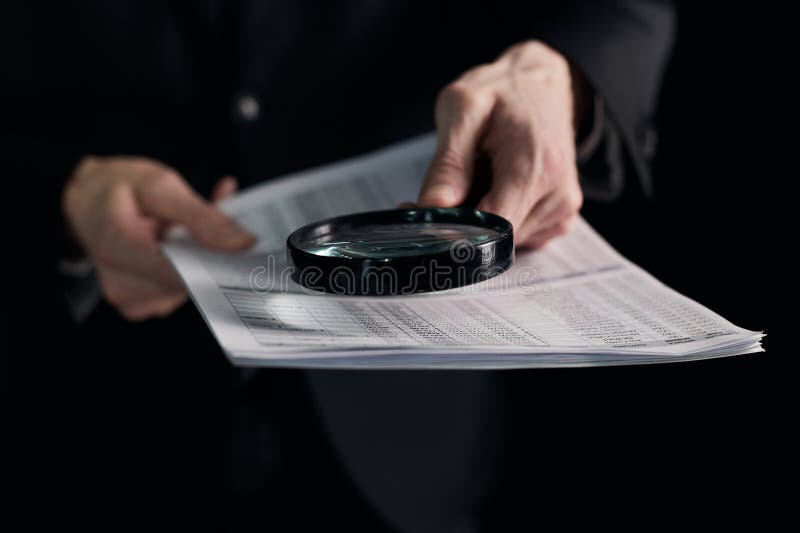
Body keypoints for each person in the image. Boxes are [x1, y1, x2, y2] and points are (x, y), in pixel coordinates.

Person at [3, 1, 674, 531]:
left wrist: (559, 74)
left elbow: (621, 10)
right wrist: (56, 199)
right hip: (92, 436)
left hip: (411, 450)